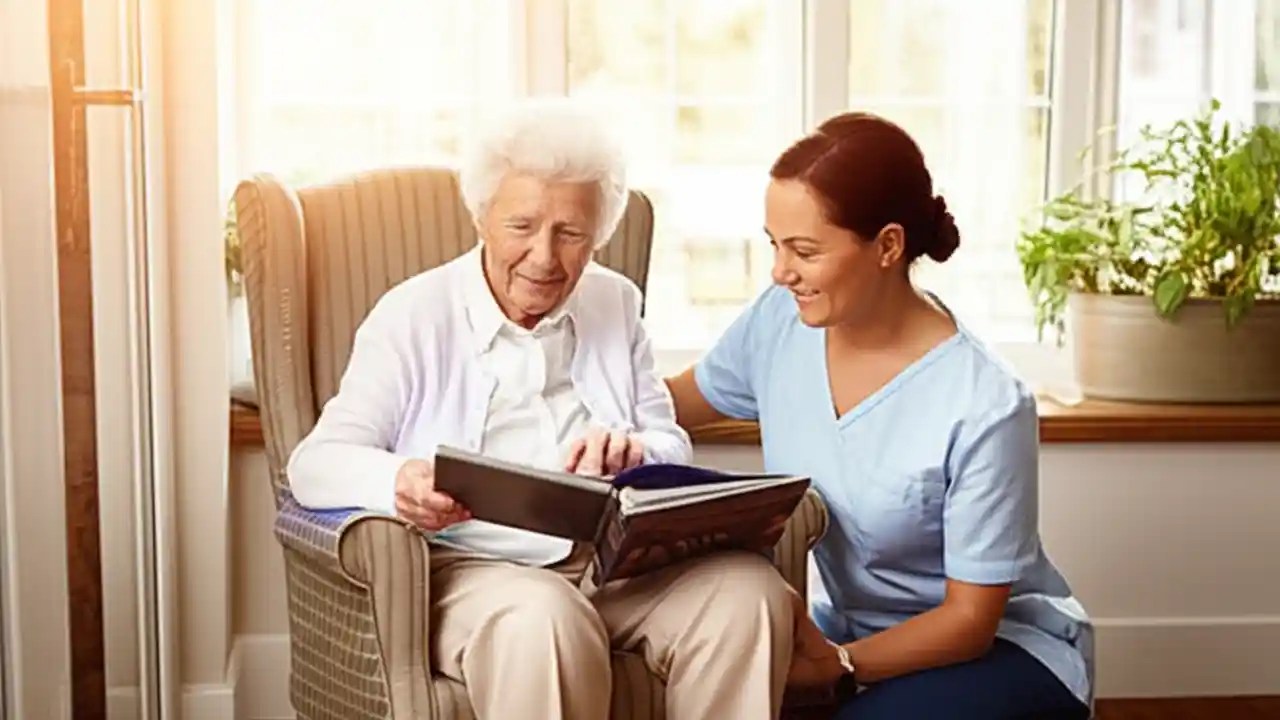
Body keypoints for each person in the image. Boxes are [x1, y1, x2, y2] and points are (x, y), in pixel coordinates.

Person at [285, 101, 796, 720]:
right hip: (475, 571)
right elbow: (315, 463)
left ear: (598, 234)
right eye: (521, 226)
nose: (545, 258)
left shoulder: (615, 302)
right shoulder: (413, 315)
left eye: (571, 233)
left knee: (749, 597)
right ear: (482, 218)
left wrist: (636, 453)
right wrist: (399, 480)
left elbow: (669, 440)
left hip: (609, 567)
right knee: (546, 620)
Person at [662, 112, 1095, 719]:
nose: (780, 271)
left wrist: (839, 663)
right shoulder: (780, 323)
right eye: (774, 244)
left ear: (888, 245)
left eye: (804, 251)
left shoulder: (986, 404)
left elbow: (970, 622)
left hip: (994, 652)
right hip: (843, 629)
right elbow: (670, 404)